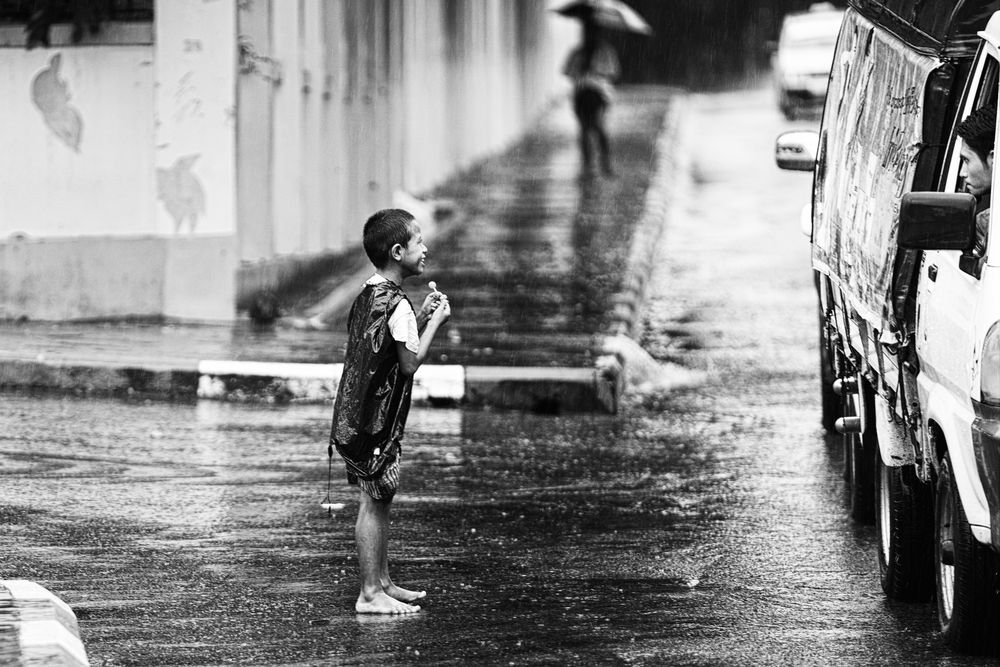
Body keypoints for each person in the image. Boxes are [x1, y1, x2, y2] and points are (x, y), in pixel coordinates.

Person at [329, 208, 451, 614]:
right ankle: (369, 594)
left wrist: (421, 315)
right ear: (398, 251)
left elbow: (389, 346)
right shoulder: (395, 304)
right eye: (419, 242)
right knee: (374, 500)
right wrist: (437, 323)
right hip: (377, 421)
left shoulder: (369, 293)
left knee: (378, 496)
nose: (426, 248)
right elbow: (409, 363)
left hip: (357, 415)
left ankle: (382, 582)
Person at [563, 19, 620, 176]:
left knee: (598, 126)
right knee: (584, 129)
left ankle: (605, 161)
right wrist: (580, 69)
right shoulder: (577, 52)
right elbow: (567, 71)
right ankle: (587, 163)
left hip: (599, 95)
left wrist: (597, 71)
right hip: (581, 94)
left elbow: (614, 72)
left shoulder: (606, 51)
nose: (591, 36)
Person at [956, 104, 995, 256]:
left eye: (966, 160)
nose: (962, 173)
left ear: (994, 158)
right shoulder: (986, 222)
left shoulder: (989, 224)